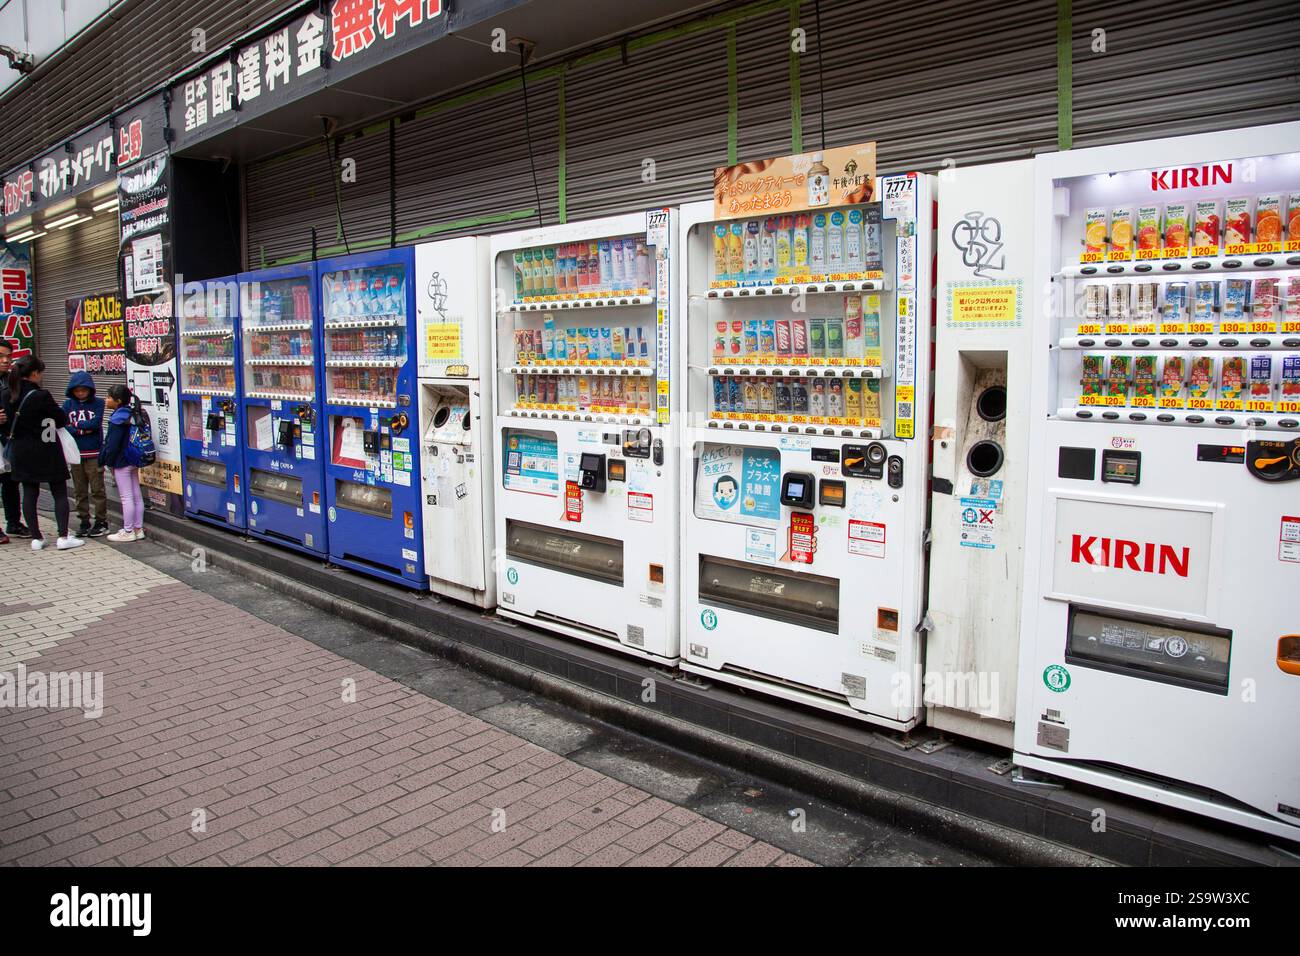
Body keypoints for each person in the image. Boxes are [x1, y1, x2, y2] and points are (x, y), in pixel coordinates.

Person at [4, 357, 83, 551]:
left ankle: (37, 539)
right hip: (47, 449)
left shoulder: (6, 394)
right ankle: (63, 537)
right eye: (41, 372)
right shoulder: (41, 395)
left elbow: (6, 424)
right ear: (34, 374)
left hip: (20, 451)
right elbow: (61, 418)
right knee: (59, 492)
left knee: (29, 492)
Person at [62, 371, 109, 538]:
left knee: (97, 489)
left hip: (94, 452)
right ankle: (83, 520)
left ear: (90, 389)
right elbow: (64, 424)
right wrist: (82, 429)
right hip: (75, 452)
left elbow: (95, 424)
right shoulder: (67, 405)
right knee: (79, 490)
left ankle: (101, 521)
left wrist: (76, 428)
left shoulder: (99, 403)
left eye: (84, 390)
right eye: (77, 390)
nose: (81, 393)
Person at [102, 384, 145, 543]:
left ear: (118, 401)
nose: (106, 400)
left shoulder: (117, 419)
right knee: (136, 495)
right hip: (134, 459)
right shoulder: (132, 414)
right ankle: (138, 528)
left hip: (121, 461)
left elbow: (112, 446)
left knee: (126, 497)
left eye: (108, 397)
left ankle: (128, 531)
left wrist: (109, 462)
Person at [0, 340, 31, 544]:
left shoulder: (11, 379)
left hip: (8, 439)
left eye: (9, 356)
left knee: (11, 482)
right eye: (1, 356)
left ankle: (13, 522)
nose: (5, 360)